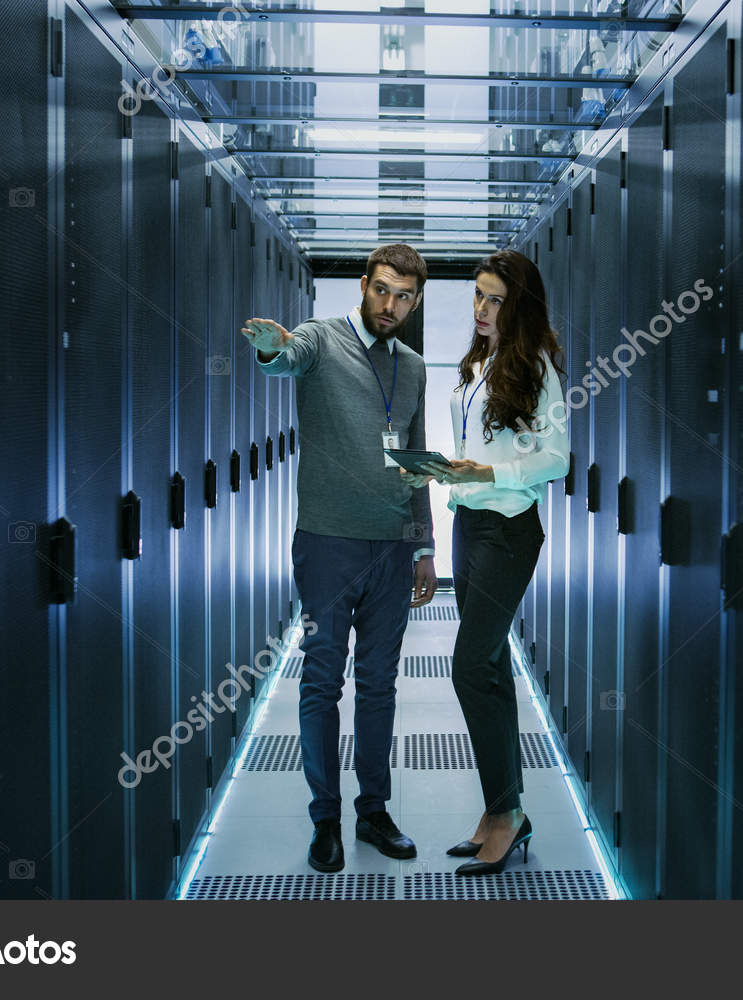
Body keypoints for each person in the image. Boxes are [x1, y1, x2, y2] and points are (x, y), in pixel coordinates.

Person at [240, 243, 438, 874]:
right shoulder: (321, 339)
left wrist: (425, 546)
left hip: (391, 549)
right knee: (323, 680)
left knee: (379, 685)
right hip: (327, 546)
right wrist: (272, 347)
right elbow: (283, 361)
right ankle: (324, 817)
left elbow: (419, 457)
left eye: (405, 296)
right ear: (362, 284)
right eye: (383, 290)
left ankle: (373, 810)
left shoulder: (412, 367)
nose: (392, 305)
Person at [401, 249, 569, 875]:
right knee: (490, 670)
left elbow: (557, 459)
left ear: (518, 304)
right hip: (470, 522)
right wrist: (451, 470)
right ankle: (503, 811)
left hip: (509, 530)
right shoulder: (476, 364)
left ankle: (507, 815)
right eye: (477, 294)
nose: (480, 307)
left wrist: (490, 471)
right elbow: (478, 448)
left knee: (471, 667)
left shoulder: (539, 370)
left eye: (494, 298)